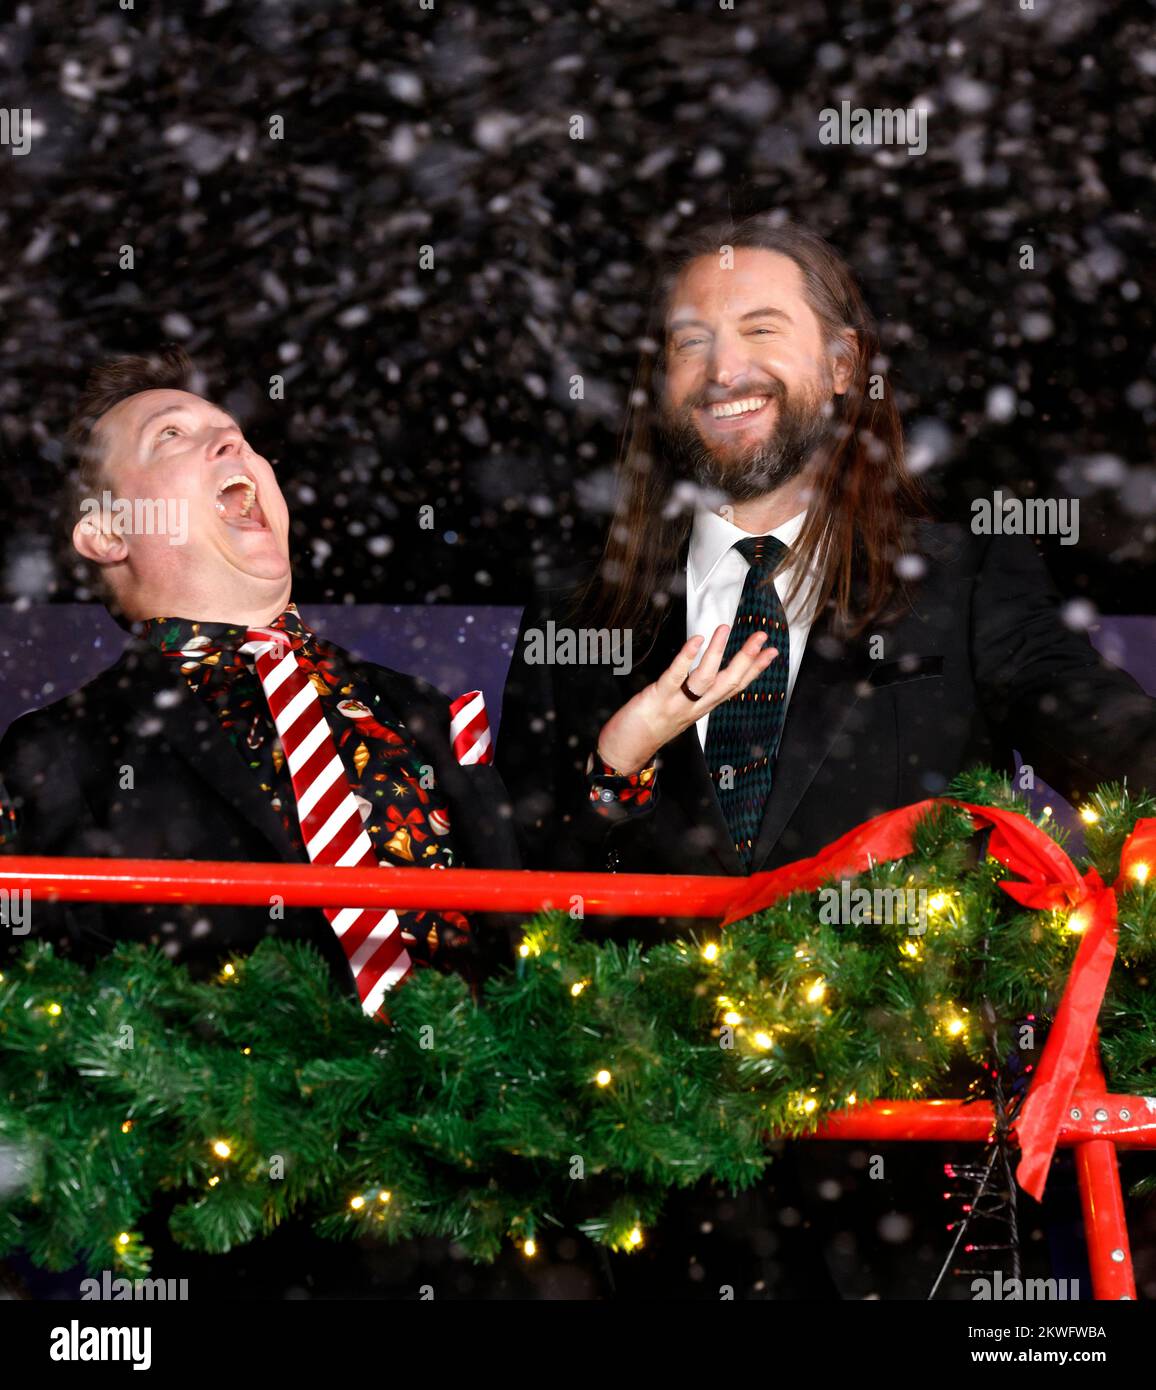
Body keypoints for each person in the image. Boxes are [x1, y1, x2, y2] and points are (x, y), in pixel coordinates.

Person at [496, 214, 1156, 1298]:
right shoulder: (578, 604)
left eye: (760, 327)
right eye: (688, 342)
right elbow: (514, 857)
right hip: (635, 1171)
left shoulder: (963, 573)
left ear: (844, 365)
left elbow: (1104, 728)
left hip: (899, 1174)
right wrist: (619, 764)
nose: (722, 370)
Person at [0, 347, 544, 1298]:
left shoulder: (427, 710)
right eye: (177, 438)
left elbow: (559, 926)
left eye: (238, 435)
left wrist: (620, 765)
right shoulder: (56, 758)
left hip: (500, 1214)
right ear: (105, 532)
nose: (229, 441)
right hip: (253, 1239)